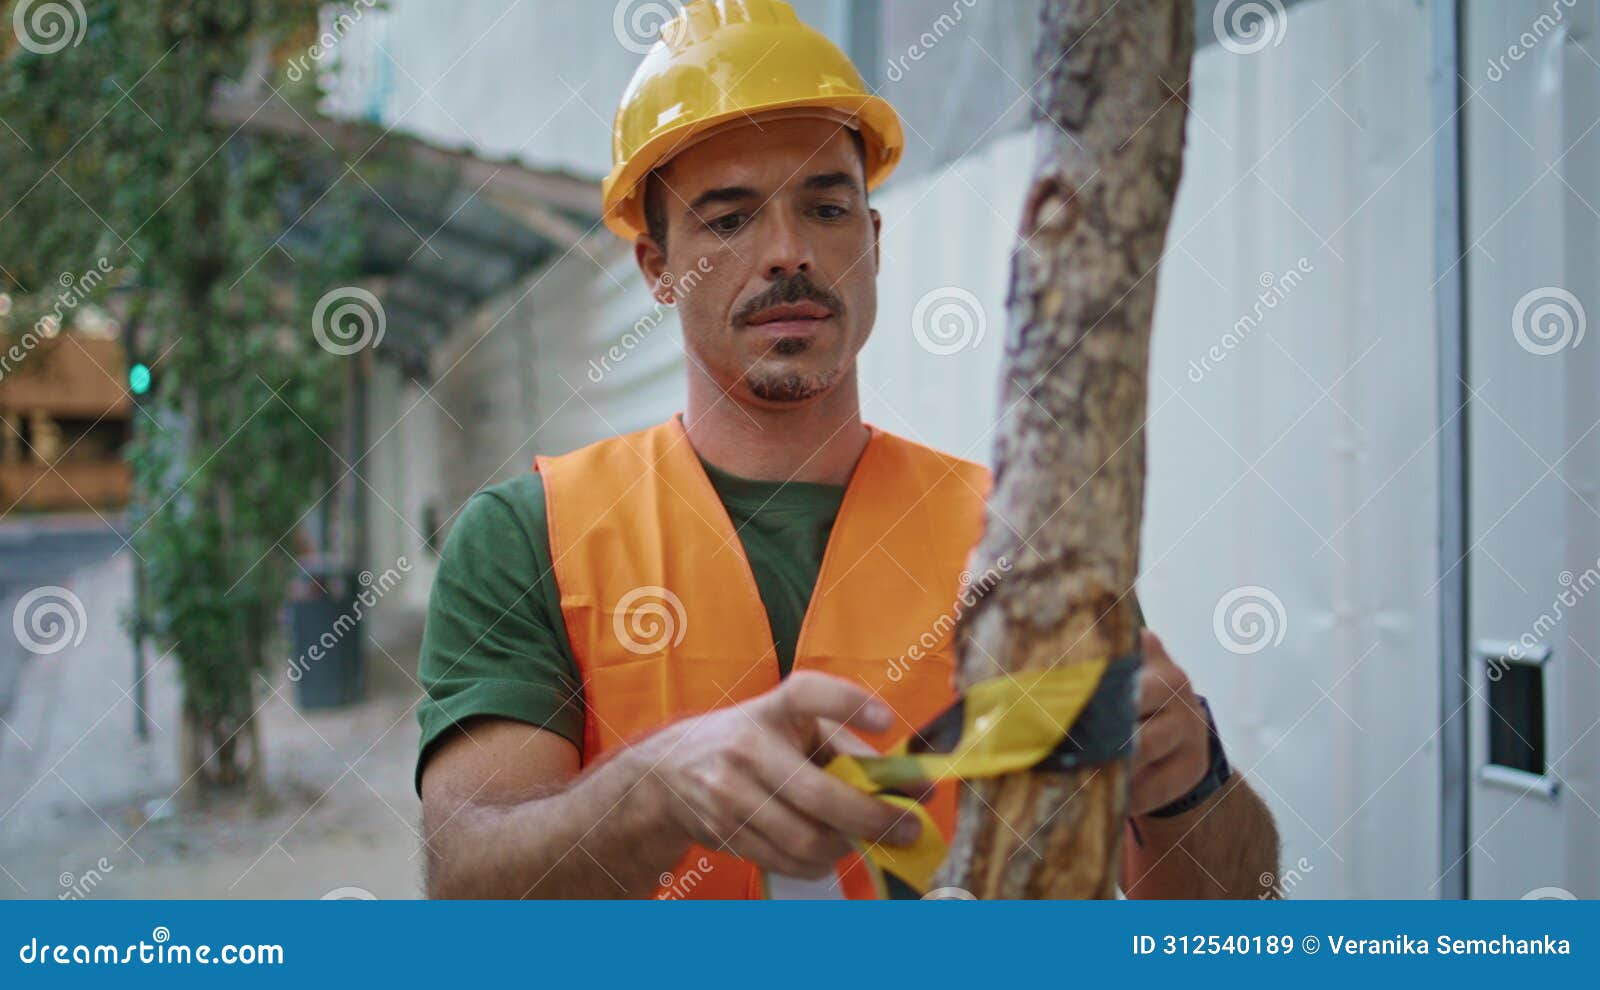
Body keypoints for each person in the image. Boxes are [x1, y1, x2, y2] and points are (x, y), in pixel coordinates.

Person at [417, 0, 1278, 899]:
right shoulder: (533, 537)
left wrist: (1195, 782)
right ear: (657, 269)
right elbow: (469, 887)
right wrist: (654, 791)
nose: (789, 252)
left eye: (826, 207)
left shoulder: (1024, 531)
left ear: (871, 242)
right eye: (728, 219)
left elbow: (1220, 918)